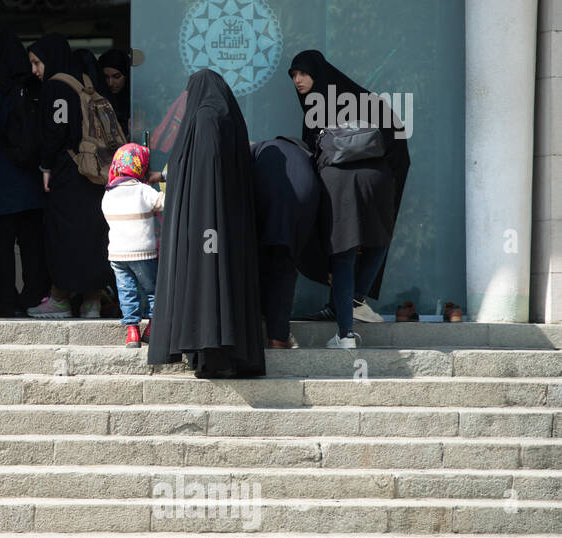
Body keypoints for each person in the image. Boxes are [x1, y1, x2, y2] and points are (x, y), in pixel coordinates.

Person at [147, 69, 266, 378]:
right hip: (226, 222)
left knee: (205, 278)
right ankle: (224, 355)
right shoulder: (230, 117)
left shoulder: (203, 117)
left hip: (203, 220)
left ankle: (209, 352)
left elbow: (202, 171)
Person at [288, 50, 410, 349]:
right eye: (293, 75)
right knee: (378, 239)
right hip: (376, 181)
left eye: (302, 73)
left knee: (341, 252)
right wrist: (388, 177)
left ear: (317, 72)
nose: (297, 80)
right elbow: (396, 136)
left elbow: (311, 154)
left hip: (339, 185)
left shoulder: (317, 106)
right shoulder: (360, 97)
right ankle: (352, 298)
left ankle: (345, 332)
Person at [25, 33, 111, 319]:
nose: (35, 70)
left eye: (37, 63)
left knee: (63, 236)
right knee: (93, 236)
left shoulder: (56, 87)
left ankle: (60, 298)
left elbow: (55, 133)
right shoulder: (87, 82)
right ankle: (92, 302)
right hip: (94, 173)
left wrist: (46, 167)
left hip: (68, 174)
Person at [0, 30, 48, 317]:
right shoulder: (33, 82)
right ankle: (35, 298)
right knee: (32, 246)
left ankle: (5, 300)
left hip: (4, 178)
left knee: (3, 246)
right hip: (32, 176)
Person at [251, 136, 328, 349]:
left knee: (258, 262)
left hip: (266, 201)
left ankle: (257, 322)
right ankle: (278, 336)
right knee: (283, 267)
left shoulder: (263, 148)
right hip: (301, 202)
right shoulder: (306, 159)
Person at [103, 142, 163, 347]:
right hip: (143, 254)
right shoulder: (143, 191)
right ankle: (153, 327)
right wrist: (164, 178)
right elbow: (165, 202)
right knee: (153, 290)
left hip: (118, 255)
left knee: (127, 291)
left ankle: (132, 333)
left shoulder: (108, 193)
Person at [98, 48, 134, 130]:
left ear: (126, 75)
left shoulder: (135, 101)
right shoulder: (99, 100)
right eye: (106, 77)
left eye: (116, 76)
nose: (110, 83)